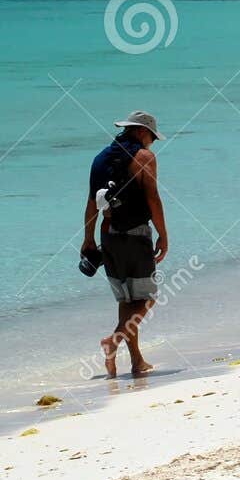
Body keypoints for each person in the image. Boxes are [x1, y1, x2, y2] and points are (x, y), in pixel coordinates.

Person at [82, 111, 169, 377]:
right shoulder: (144, 157)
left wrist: (88, 239)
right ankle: (114, 340)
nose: (151, 143)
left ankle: (137, 361)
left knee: (127, 299)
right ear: (142, 132)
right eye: (152, 137)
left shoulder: (100, 159)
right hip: (135, 234)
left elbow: (91, 202)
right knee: (147, 298)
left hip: (108, 235)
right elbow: (153, 198)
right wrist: (163, 235)